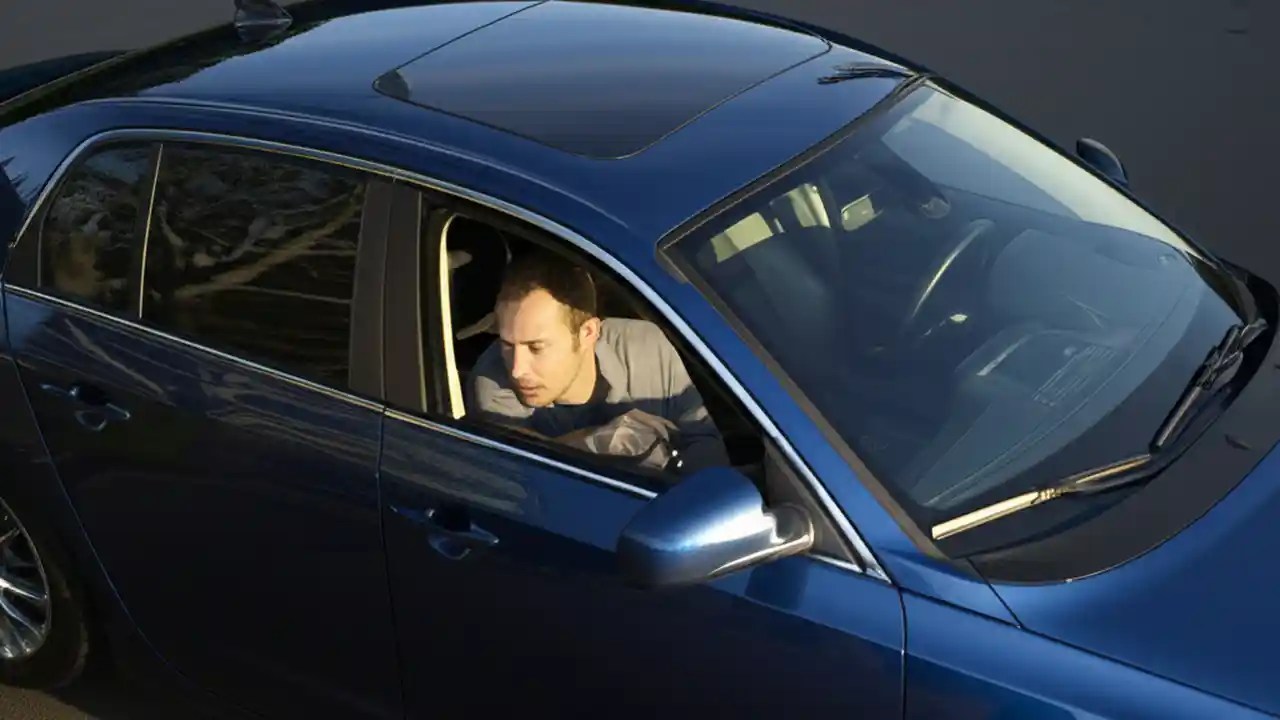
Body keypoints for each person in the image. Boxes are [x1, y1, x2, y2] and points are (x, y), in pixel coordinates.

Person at [469, 250, 730, 474]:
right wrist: (604, 441)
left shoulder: (647, 349)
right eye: (507, 344)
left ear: (588, 333)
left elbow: (708, 445)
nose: (517, 369)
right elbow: (534, 478)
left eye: (536, 347)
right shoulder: (493, 385)